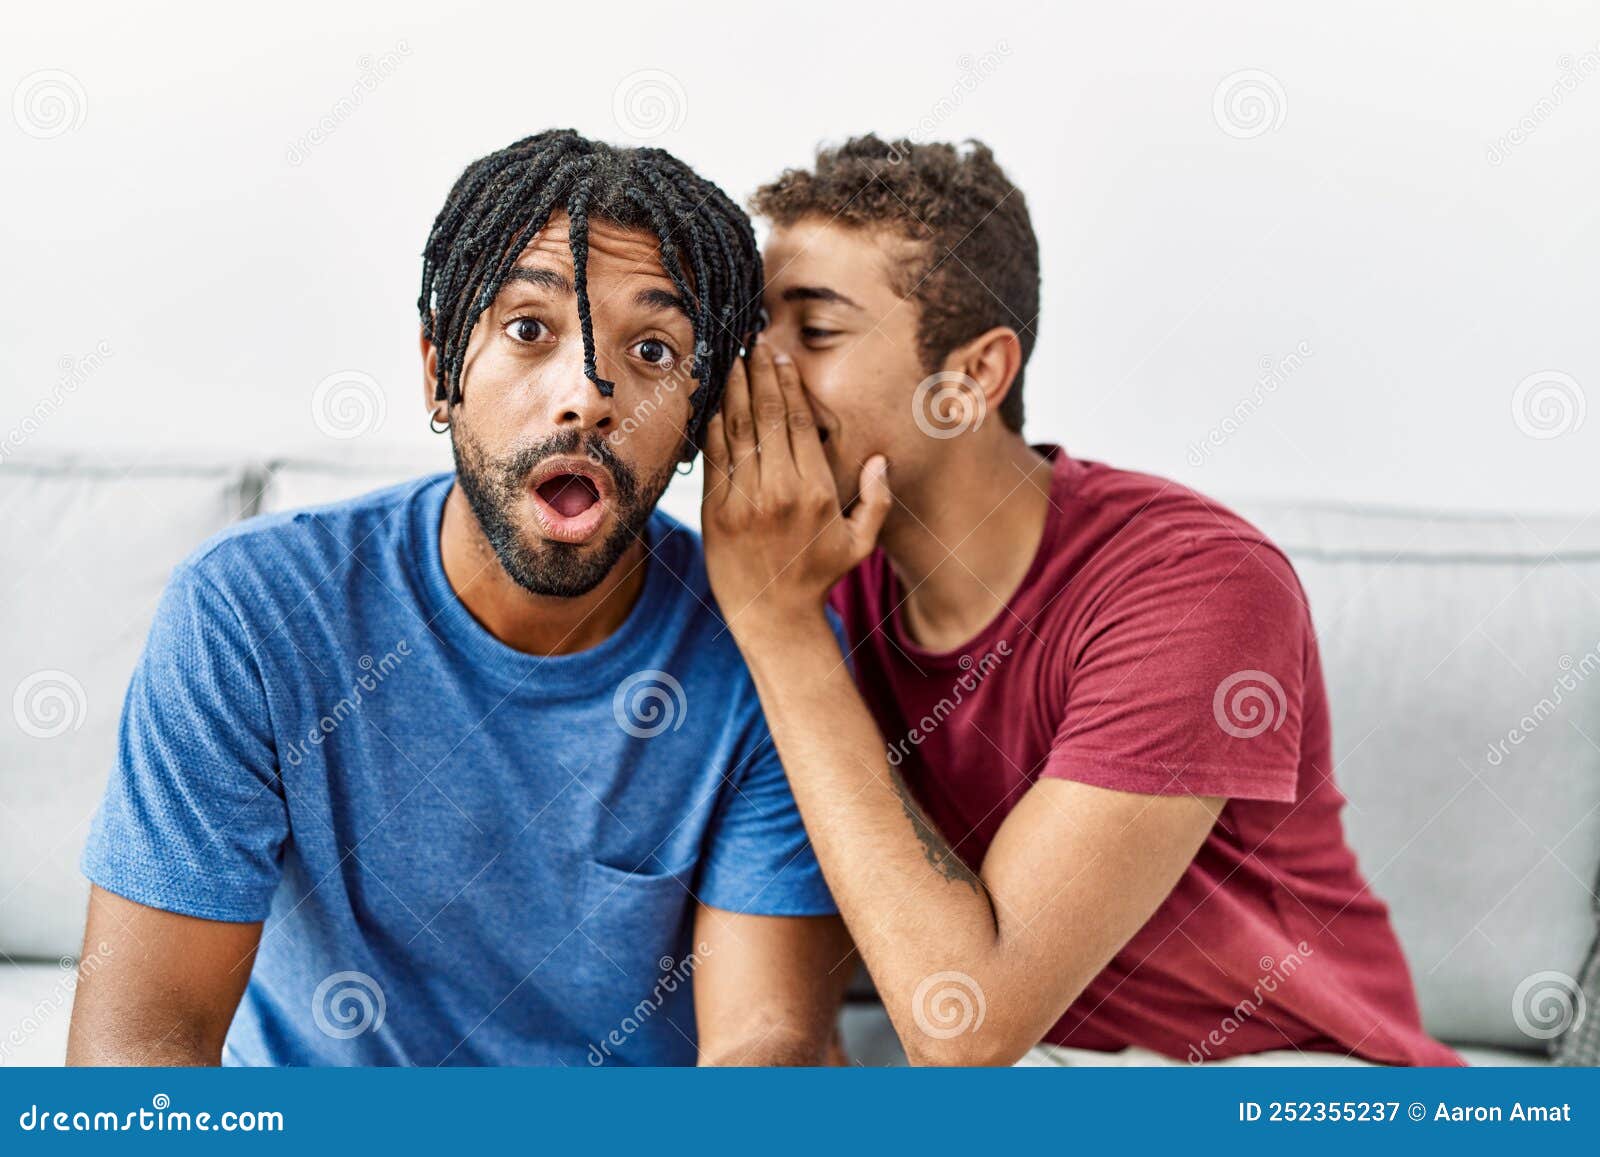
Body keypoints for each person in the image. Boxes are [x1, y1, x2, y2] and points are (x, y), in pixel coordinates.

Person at [68, 129, 849, 1067]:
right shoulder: (247, 615)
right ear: (440, 369)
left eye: (652, 348)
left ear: (696, 418)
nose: (588, 397)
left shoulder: (761, 644)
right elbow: (138, 1052)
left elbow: (764, 1050)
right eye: (529, 330)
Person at [698, 134, 1463, 1067]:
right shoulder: (822, 575)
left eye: (814, 332)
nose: (756, 370)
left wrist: (778, 626)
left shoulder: (1195, 583)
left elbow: (964, 1022)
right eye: (756, 329)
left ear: (974, 377)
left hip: (1288, 1076)